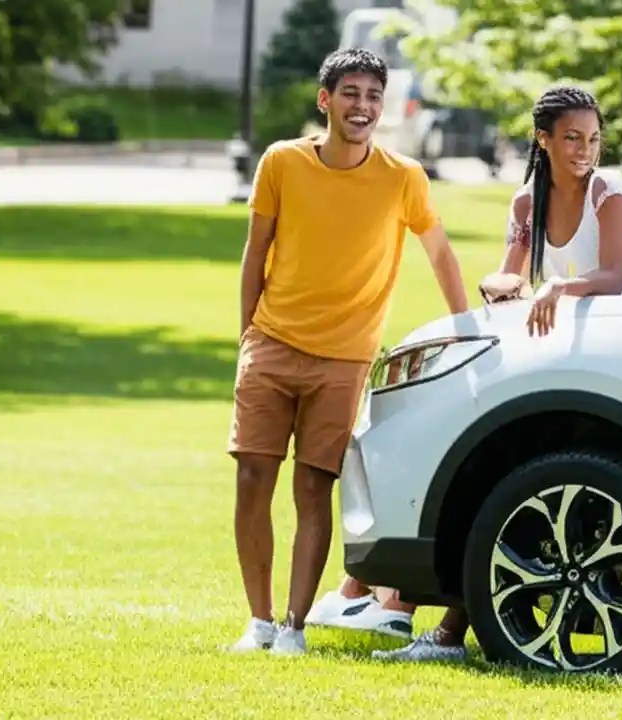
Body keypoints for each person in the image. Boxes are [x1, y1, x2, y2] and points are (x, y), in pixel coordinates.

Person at [371, 84, 622, 663]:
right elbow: (509, 274)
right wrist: (502, 288)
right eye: (571, 138)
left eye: (593, 138)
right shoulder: (527, 203)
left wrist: (557, 286)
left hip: (618, 347)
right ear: (541, 140)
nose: (585, 150)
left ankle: (434, 626)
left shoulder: (609, 193)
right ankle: (424, 619)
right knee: (503, 471)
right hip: (561, 352)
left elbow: (618, 274)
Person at [227, 47, 469, 656]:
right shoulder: (282, 162)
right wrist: (248, 336)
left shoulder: (402, 176)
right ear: (325, 100)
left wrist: (467, 323)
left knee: (313, 489)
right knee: (253, 479)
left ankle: (293, 626)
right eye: (351, 94)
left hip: (344, 360)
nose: (362, 107)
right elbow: (256, 252)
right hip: (272, 344)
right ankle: (258, 622)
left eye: (372, 96)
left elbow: (439, 252)